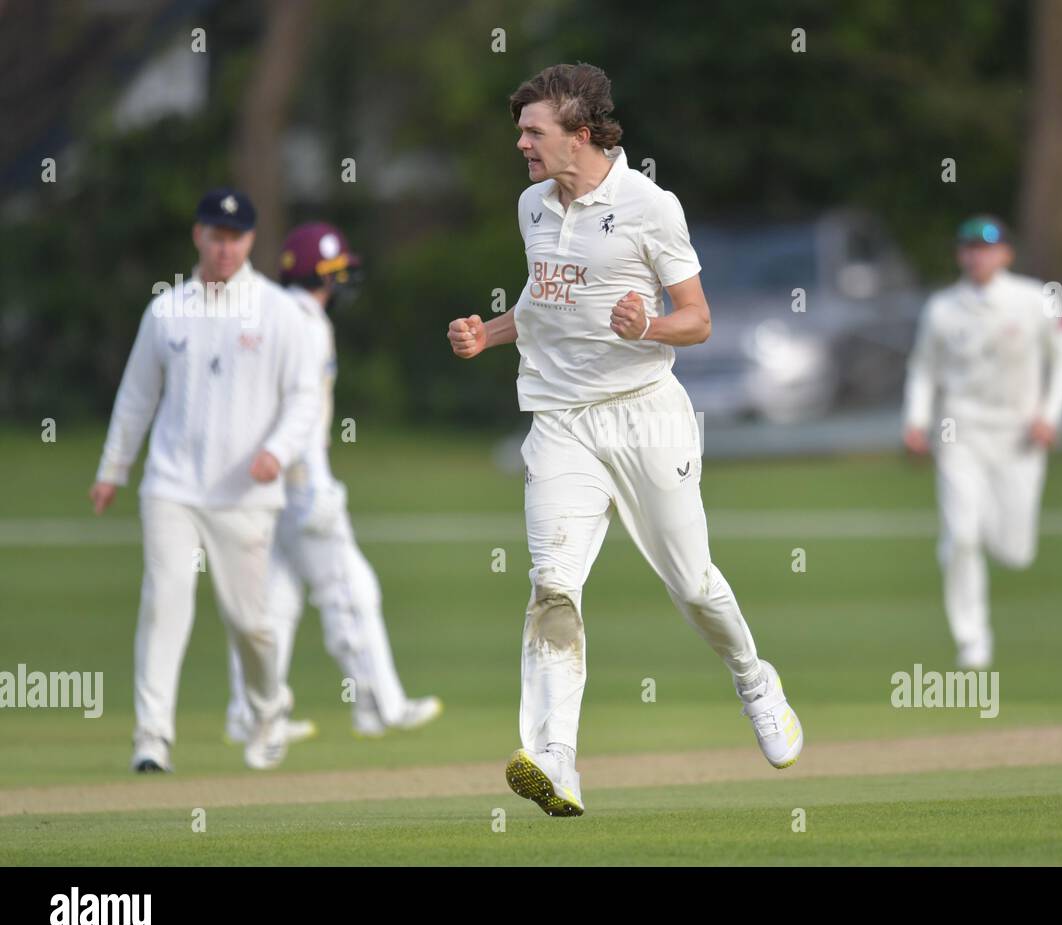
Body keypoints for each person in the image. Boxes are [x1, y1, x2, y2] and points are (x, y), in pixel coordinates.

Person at [447, 63, 802, 818]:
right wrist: (492, 332)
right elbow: (545, 301)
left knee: (694, 583)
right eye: (520, 131)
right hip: (560, 424)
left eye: (533, 131)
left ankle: (753, 678)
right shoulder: (532, 208)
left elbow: (698, 319)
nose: (521, 143)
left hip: (645, 416)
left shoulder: (648, 205)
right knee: (552, 587)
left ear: (580, 134)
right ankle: (555, 761)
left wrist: (649, 326)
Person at [90, 188, 319, 772]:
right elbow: (137, 397)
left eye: (236, 238)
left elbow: (304, 397)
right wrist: (113, 469)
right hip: (171, 486)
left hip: (245, 493)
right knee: (165, 602)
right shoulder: (167, 310)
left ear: (250, 241)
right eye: (215, 236)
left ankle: (268, 711)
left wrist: (276, 450)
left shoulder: (278, 311)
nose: (224, 248)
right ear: (199, 236)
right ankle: (152, 737)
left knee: (249, 622)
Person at [223, 222, 443, 742]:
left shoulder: (268, 314)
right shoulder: (306, 324)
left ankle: (252, 714)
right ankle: (380, 707)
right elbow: (297, 409)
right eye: (337, 273)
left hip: (259, 483)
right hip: (298, 483)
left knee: (273, 601)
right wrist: (312, 481)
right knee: (352, 592)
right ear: (321, 275)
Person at [902, 215, 1062, 669]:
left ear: (1005, 254)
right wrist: (916, 421)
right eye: (968, 247)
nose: (976, 255)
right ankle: (972, 640)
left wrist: (1050, 416)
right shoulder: (942, 308)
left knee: (1014, 551)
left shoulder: (1033, 299)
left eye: (986, 247)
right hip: (960, 431)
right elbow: (923, 368)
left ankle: (987, 540)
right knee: (962, 535)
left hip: (1019, 436)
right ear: (960, 254)